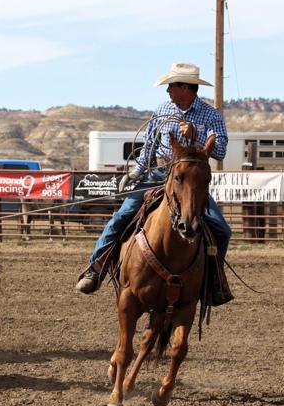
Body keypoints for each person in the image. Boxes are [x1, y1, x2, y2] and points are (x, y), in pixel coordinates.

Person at [75, 62, 231, 294]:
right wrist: (136, 172)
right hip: (158, 173)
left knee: (221, 229)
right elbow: (149, 146)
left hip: (190, 181)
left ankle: (215, 280)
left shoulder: (211, 115)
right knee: (123, 215)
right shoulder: (162, 111)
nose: (168, 90)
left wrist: (197, 136)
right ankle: (96, 267)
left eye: (171, 86)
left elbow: (220, 150)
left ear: (185, 87)